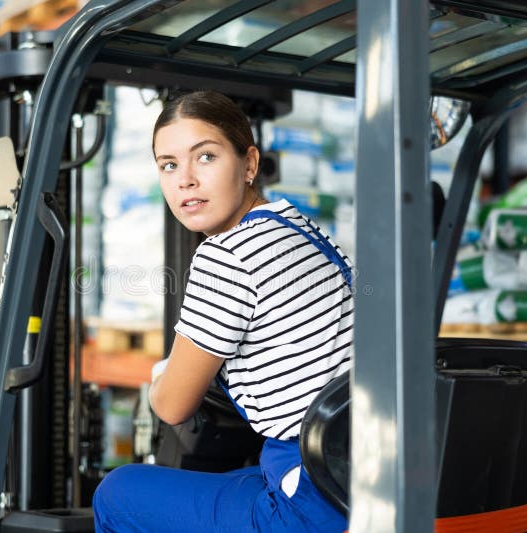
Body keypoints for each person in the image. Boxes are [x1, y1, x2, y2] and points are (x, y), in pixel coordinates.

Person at [92, 90, 353, 532]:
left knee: (117, 493)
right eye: (169, 165)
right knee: (236, 479)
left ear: (250, 164)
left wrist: (161, 381)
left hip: (311, 506)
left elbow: (173, 407)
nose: (185, 180)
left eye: (206, 157)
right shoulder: (302, 229)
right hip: (352, 473)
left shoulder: (226, 256)